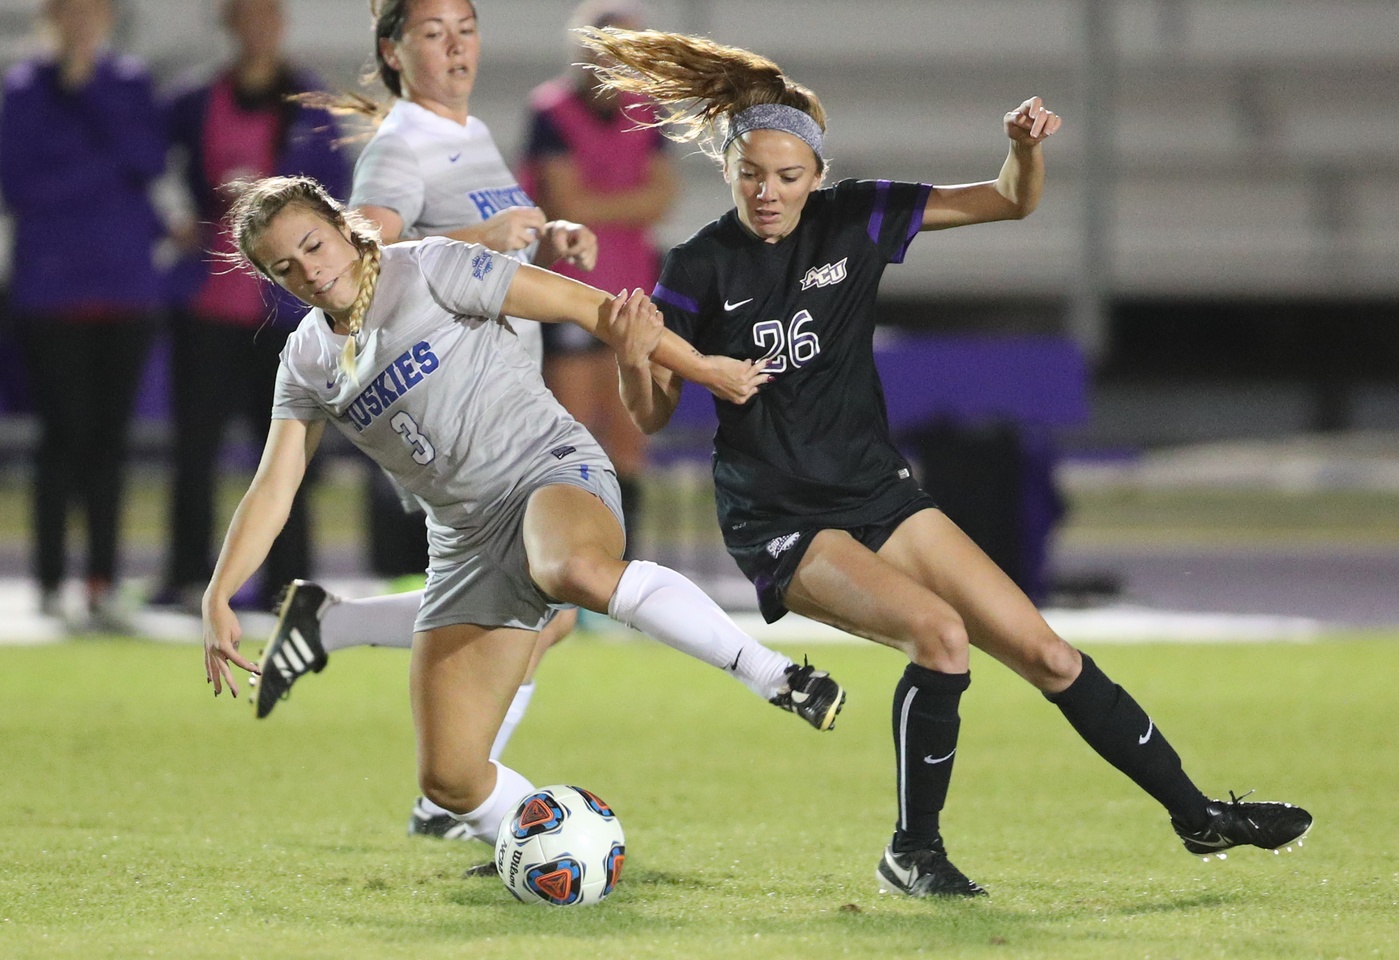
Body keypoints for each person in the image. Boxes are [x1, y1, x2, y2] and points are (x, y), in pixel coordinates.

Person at [577, 27, 1315, 898]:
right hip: (781, 519)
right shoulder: (700, 263)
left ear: (817, 175)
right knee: (942, 637)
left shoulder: (860, 216)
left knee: (1046, 653)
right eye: (751, 175)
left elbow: (1011, 202)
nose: (768, 193)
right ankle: (911, 853)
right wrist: (634, 356)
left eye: (787, 176)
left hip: (878, 491)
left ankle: (1200, 817)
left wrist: (1021, 151)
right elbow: (655, 411)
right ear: (730, 169)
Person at [202, 175, 844, 857]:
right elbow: (273, 487)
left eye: (313, 244)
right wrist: (218, 592)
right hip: (463, 544)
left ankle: (772, 674)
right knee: (450, 778)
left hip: (548, 470)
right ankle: (558, 850)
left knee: (569, 569)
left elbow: (593, 308)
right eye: (285, 267)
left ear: (341, 225)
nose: (310, 269)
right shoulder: (304, 359)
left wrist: (707, 368)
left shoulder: (431, 268)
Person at [257, 0, 596, 842]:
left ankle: (342, 636)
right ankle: (451, 792)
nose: (455, 47)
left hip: (506, 410)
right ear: (393, 51)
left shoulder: (468, 133)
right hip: (457, 420)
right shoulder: (402, 145)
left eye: (466, 29)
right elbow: (363, 256)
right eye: (433, 33)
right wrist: (489, 232)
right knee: (541, 603)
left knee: (533, 606)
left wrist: (542, 233)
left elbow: (481, 247)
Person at [154, 0, 351, 613]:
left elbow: (334, 194)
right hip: (211, 300)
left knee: (285, 452)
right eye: (248, 15)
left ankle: (288, 580)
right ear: (231, 24)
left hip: (283, 308)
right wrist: (176, 222)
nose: (259, 26)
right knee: (196, 446)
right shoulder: (194, 100)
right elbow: (142, 165)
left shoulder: (309, 102)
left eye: (269, 15)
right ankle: (187, 576)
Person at [0, 0, 167, 631]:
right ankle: (47, 579)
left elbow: (149, 162)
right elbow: (18, 185)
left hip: (126, 291)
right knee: (59, 439)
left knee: (110, 444)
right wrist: (104, 173)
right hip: (50, 294)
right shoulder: (24, 87)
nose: (82, 20)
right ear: (51, 16)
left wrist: (88, 100)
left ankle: (101, 577)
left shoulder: (126, 83)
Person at [519, 0, 677, 555]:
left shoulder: (645, 110)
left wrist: (599, 204)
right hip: (569, 292)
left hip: (634, 291)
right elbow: (565, 200)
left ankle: (622, 569)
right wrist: (629, 203)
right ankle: (572, 561)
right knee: (573, 438)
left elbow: (663, 198)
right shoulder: (551, 111)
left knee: (630, 440)